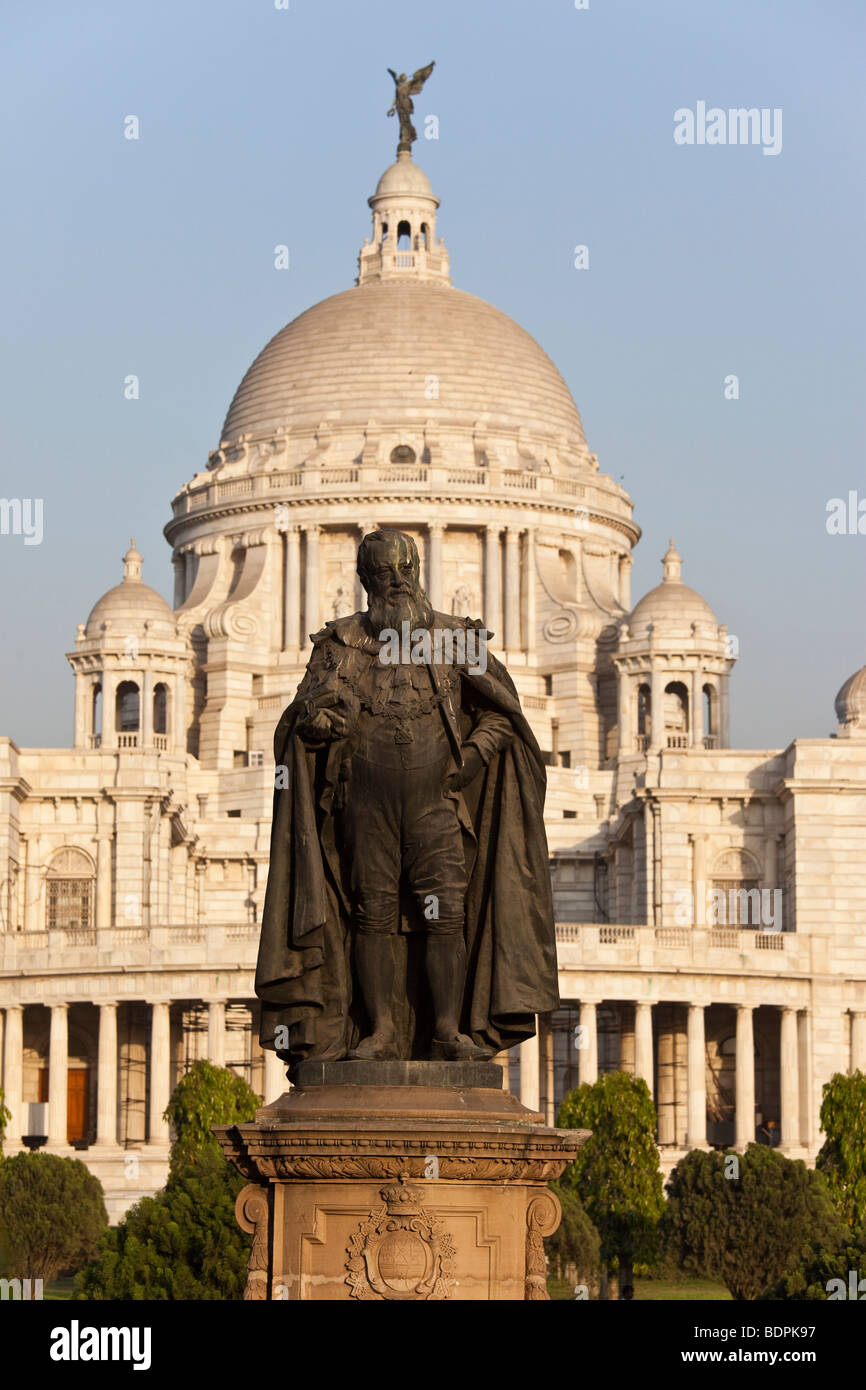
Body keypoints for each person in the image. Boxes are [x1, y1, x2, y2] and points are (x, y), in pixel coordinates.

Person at [256, 528, 559, 1067]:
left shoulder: (453, 638)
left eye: (403, 572)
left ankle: (446, 1029)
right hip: (363, 806)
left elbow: (502, 714)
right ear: (364, 580)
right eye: (382, 574)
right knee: (371, 915)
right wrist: (317, 723)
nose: (395, 583)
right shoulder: (340, 643)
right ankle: (381, 1033)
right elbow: (303, 717)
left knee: (445, 914)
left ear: (418, 572)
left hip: (437, 803)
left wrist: (468, 761)